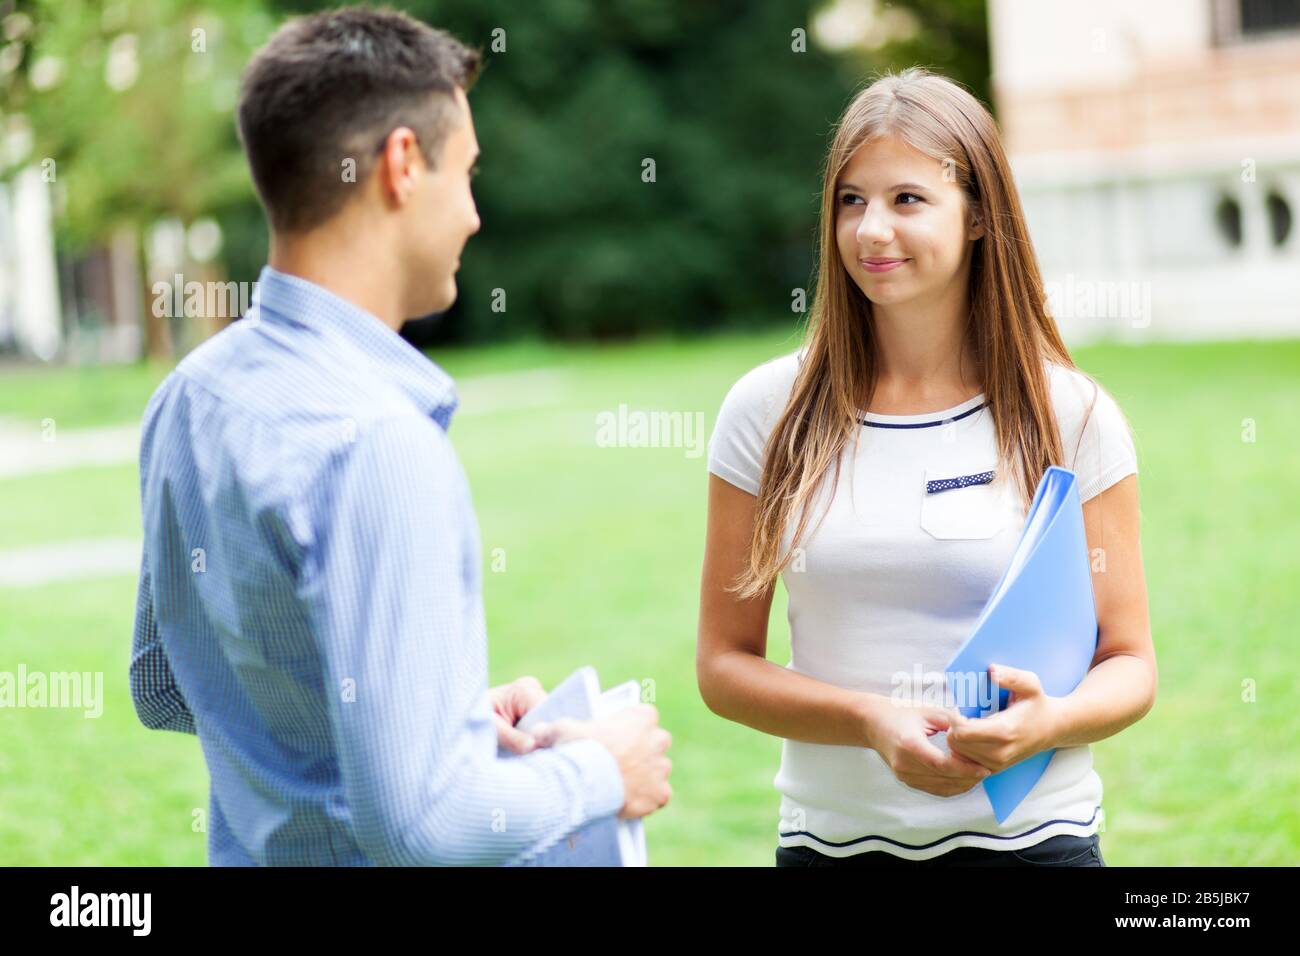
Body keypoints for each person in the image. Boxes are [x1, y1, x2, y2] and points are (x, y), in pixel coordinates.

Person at [129, 6, 670, 866]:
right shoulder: (379, 445)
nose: (475, 216)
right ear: (403, 165)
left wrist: (421, 714)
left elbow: (165, 684)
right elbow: (424, 828)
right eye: (468, 173)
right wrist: (602, 770)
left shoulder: (188, 397)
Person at [696, 67, 1155, 867]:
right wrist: (871, 721)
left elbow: (1130, 662)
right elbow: (723, 665)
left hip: (1035, 845)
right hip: (831, 847)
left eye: (907, 199)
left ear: (979, 216)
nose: (871, 229)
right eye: (851, 199)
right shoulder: (764, 412)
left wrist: (1049, 722)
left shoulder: (1072, 415)